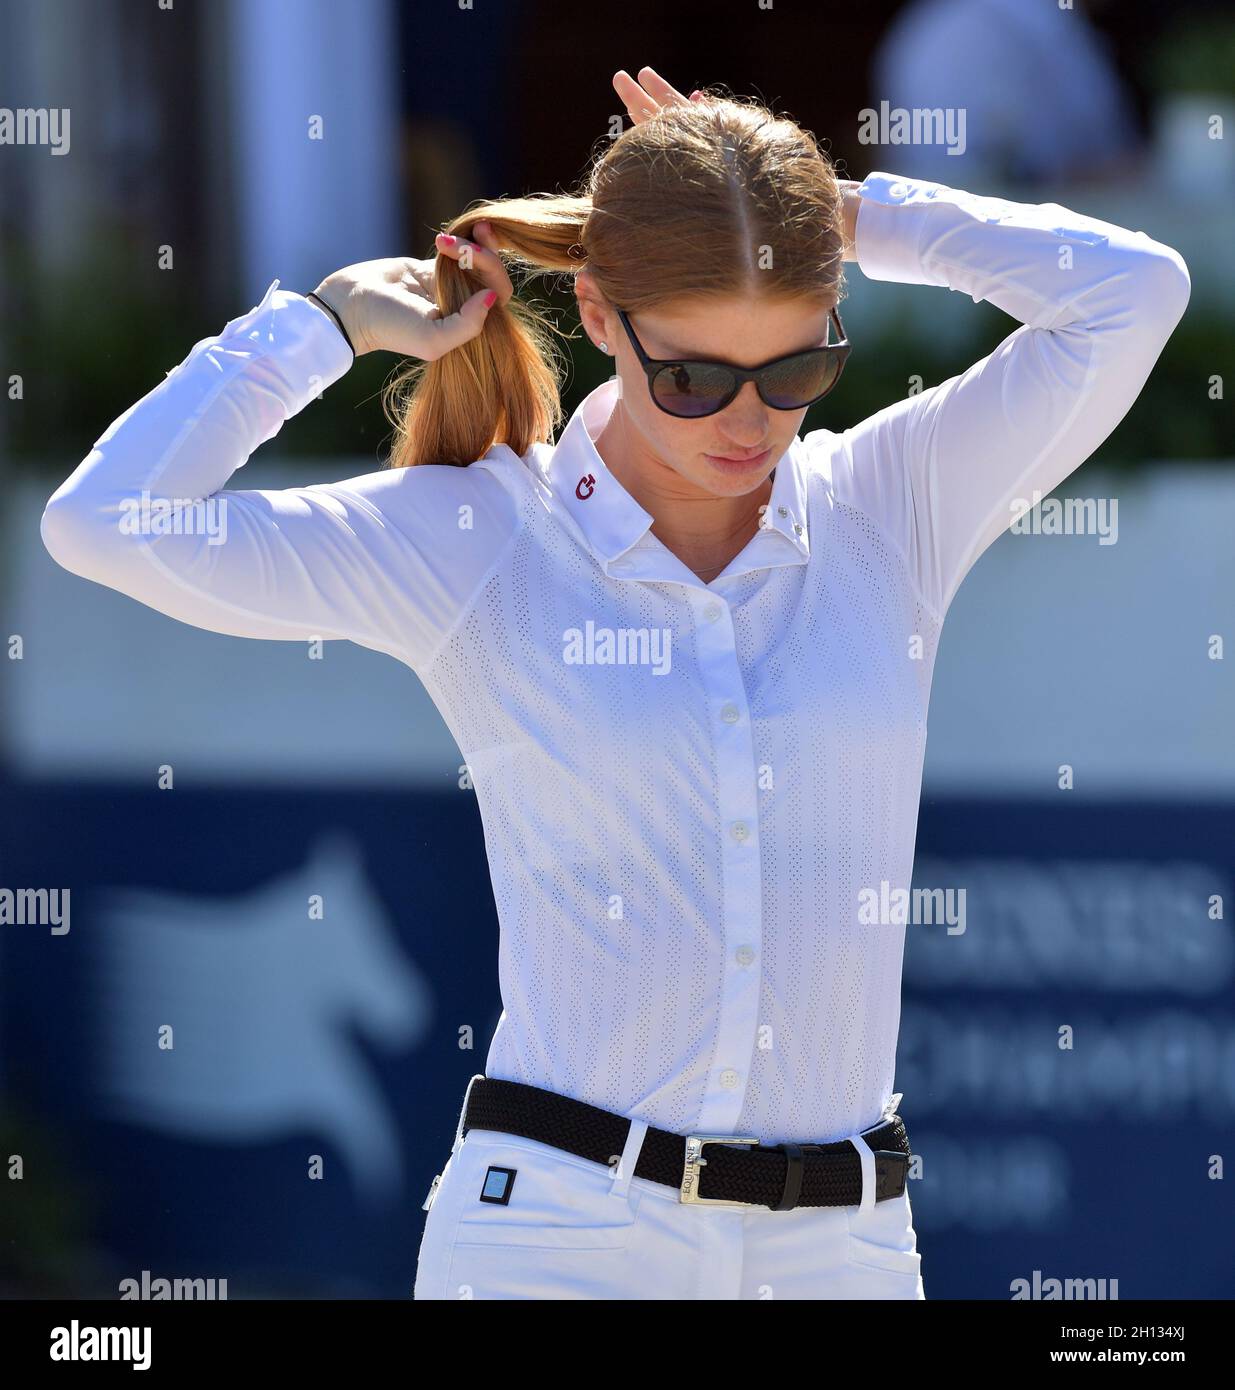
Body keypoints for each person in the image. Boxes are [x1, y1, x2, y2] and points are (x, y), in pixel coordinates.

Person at [40, 67, 1189, 1300]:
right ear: (594, 312)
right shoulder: (477, 536)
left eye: (795, 371)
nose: (747, 421)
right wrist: (319, 327)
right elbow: (107, 523)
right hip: (557, 1241)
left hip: (844, 1249)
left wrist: (824, 209)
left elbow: (1132, 292)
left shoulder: (891, 504)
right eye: (693, 377)